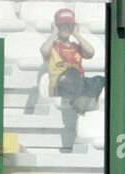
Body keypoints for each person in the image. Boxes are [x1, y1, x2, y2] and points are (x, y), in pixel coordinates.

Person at [41, 8, 104, 152]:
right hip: (60, 82)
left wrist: (77, 34)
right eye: (62, 26)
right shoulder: (53, 46)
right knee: (72, 73)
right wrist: (53, 34)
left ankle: (81, 101)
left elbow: (91, 52)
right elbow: (44, 51)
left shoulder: (76, 46)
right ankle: (82, 102)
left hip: (77, 83)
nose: (65, 29)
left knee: (100, 79)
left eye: (68, 26)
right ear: (57, 26)